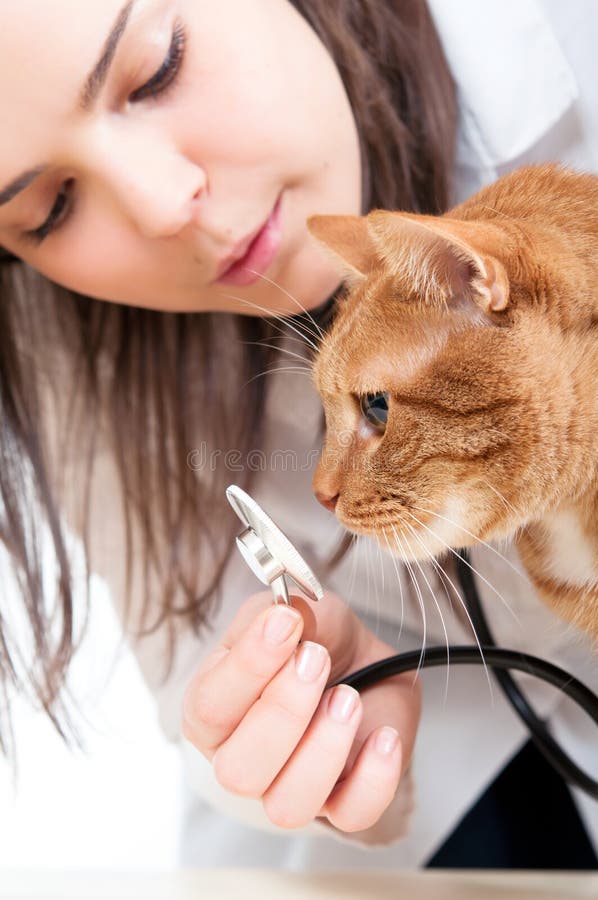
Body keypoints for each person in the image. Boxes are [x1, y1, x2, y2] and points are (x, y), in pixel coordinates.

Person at [0, 0, 596, 871]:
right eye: (51, 211)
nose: (168, 207)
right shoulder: (67, 329)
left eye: (159, 67)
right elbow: (193, 664)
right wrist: (314, 745)